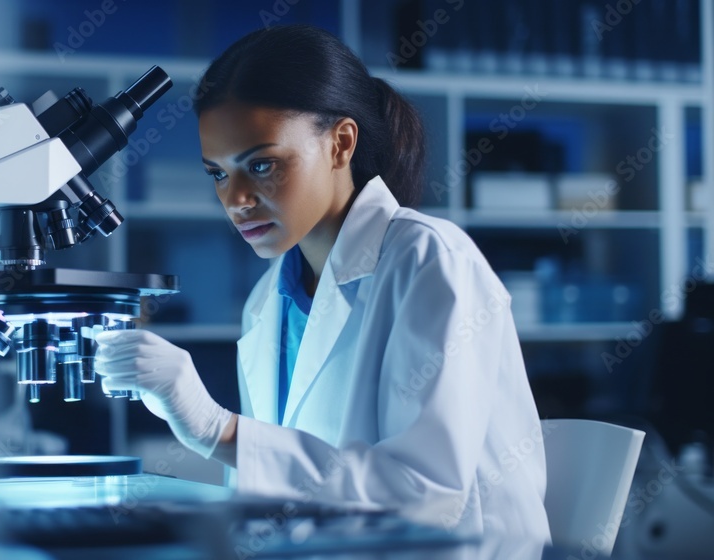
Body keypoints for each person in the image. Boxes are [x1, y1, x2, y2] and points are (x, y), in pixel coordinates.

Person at [95, 24, 551, 541]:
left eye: (261, 164)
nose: (236, 199)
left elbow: (425, 495)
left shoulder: (429, 259)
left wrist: (217, 430)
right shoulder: (265, 302)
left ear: (341, 143)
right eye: (217, 174)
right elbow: (279, 492)